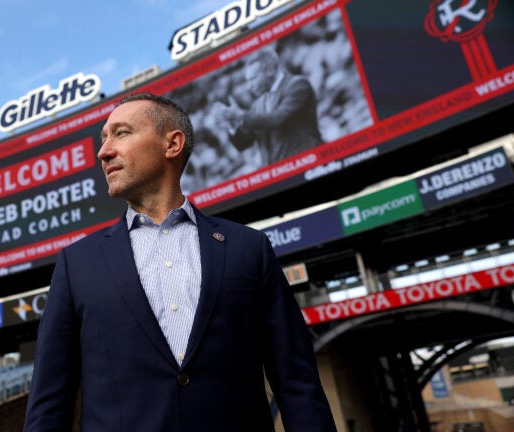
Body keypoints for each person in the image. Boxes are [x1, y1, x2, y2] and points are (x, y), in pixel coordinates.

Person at [23, 92, 337, 431]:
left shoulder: (249, 248)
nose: (104, 151)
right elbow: (49, 402)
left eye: (122, 133)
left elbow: (297, 383)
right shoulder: (77, 263)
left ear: (172, 144)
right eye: (104, 139)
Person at [214, 48, 323, 165]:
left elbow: (278, 119)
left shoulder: (297, 85)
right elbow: (243, 144)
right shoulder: (257, 104)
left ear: (270, 71)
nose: (249, 86)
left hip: (307, 163)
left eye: (253, 79)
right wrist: (232, 125)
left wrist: (241, 114)